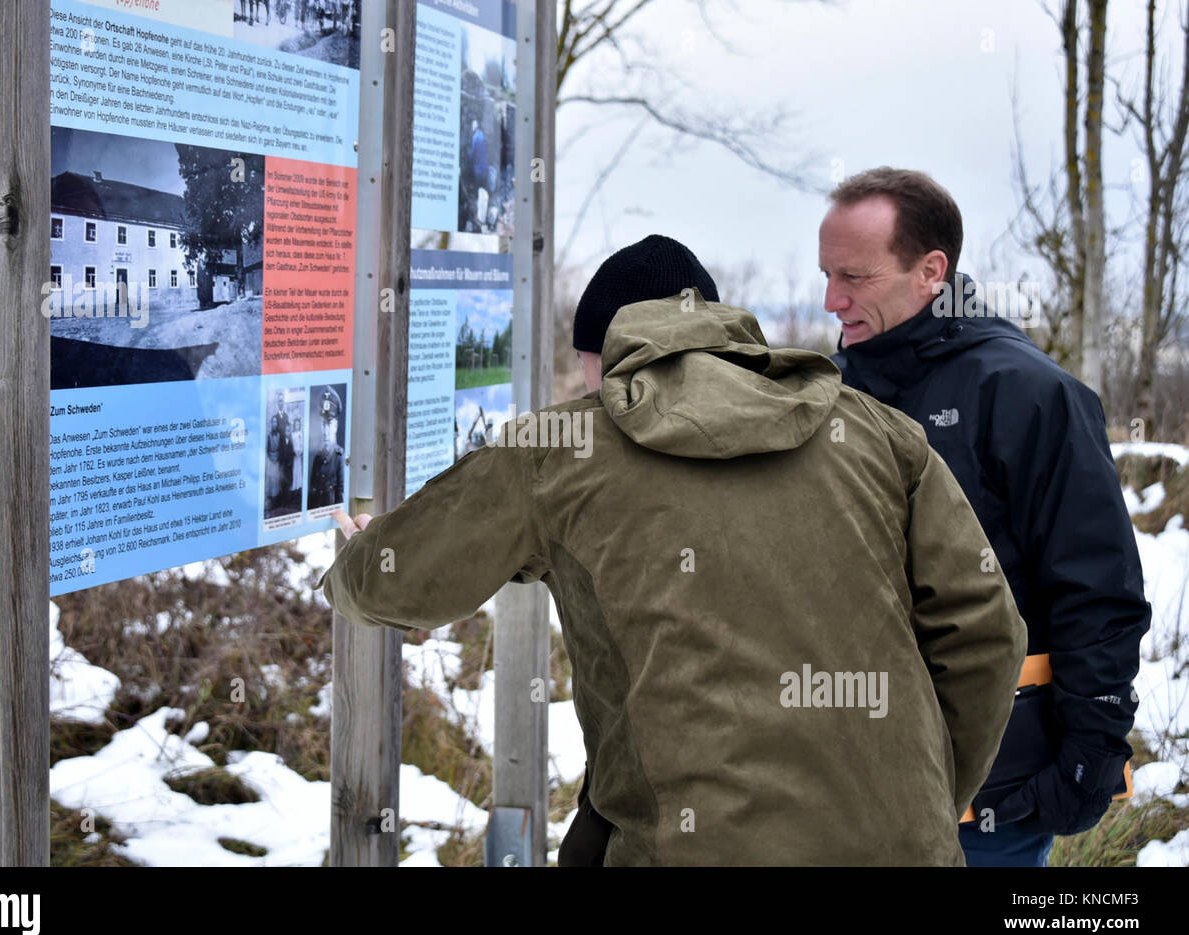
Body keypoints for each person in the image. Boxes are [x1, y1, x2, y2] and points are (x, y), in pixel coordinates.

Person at [321, 234, 1028, 866]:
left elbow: (398, 583)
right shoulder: (880, 433)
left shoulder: (556, 451)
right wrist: (928, 798)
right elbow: (988, 636)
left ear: (607, 353)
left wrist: (355, 561)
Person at [821, 167, 1152, 866]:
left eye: (854, 275)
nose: (831, 298)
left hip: (987, 798)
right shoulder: (830, 393)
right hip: (843, 783)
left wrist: (1091, 752)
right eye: (827, 274)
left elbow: (1099, 589)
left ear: (930, 271)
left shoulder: (1031, 397)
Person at [309, 385, 345, 510]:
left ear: (335, 426)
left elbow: (340, 493)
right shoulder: (317, 456)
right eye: (323, 424)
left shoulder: (339, 457)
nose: (325, 430)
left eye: (329, 424)